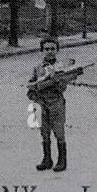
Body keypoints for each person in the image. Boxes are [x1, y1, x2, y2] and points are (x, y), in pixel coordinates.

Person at [27, 37, 81, 172]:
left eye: (52, 49)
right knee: (44, 132)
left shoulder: (61, 67)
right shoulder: (38, 68)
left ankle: (62, 161)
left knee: (58, 132)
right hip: (42, 103)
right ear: (42, 51)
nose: (50, 51)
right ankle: (47, 159)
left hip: (56, 102)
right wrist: (34, 94)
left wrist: (56, 80)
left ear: (57, 51)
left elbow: (63, 87)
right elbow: (31, 85)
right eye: (46, 49)